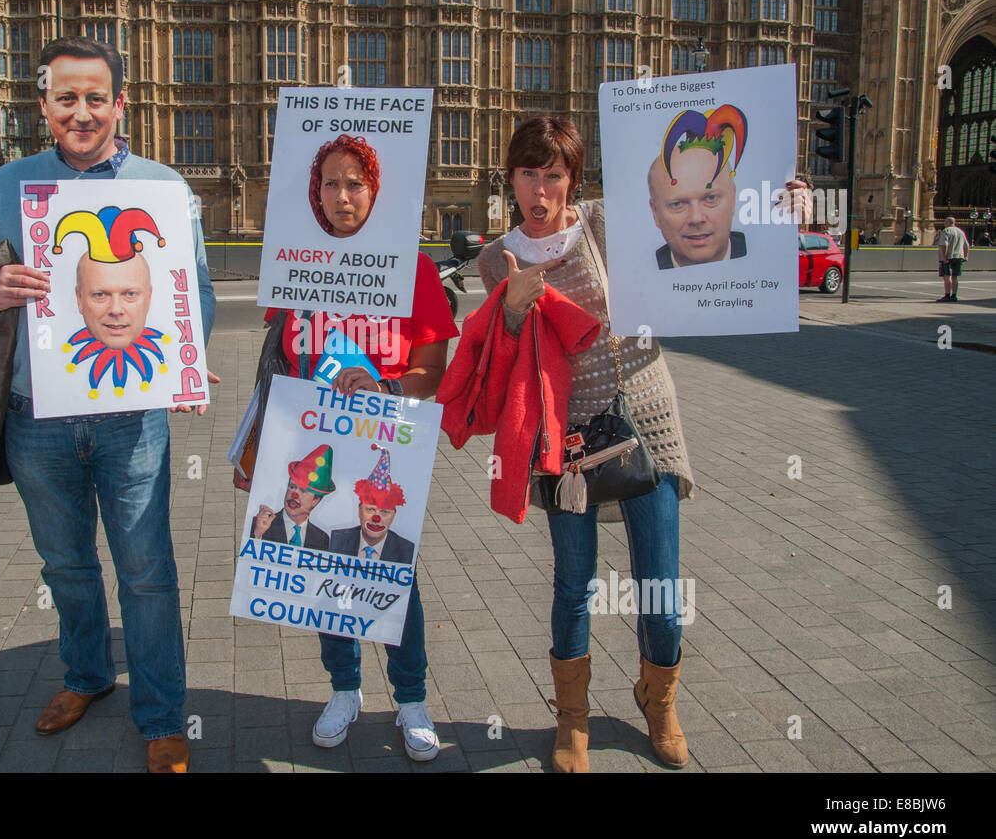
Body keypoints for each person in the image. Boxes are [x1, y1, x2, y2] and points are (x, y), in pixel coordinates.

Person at [475, 116, 809, 773]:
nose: (540, 189)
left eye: (554, 174)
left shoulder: (608, 222)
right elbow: (506, 365)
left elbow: (700, 236)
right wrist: (512, 308)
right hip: (566, 440)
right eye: (527, 173)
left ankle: (660, 705)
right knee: (574, 584)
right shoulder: (497, 258)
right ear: (510, 178)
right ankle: (572, 722)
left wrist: (778, 210)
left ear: (574, 179)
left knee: (658, 579)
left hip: (643, 417)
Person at [0, 37, 215, 773]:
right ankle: (86, 676)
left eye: (95, 97)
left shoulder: (162, 185)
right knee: (66, 566)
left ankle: (163, 714)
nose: (81, 111)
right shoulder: (10, 183)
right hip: (34, 418)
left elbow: (190, 287)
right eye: (65, 97)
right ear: (44, 105)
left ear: (119, 104)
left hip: (131, 421)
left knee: (145, 570)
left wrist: (187, 361)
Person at [240, 134, 458, 762]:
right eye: (331, 183)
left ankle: (411, 698)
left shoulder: (411, 266)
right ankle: (344, 689)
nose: (343, 196)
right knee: (322, 569)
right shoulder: (296, 263)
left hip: (384, 437)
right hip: (310, 436)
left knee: (392, 572)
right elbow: (276, 356)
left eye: (355, 183)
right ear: (316, 192)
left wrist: (388, 383)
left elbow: (433, 368)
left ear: (374, 191)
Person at [648, 107, 749, 269]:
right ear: (655, 213)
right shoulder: (636, 271)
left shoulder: (767, 257)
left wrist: (797, 212)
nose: (696, 218)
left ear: (732, 199)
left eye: (710, 199)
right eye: (677, 204)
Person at [321, 446, 415, 564]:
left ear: (393, 515)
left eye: (384, 512)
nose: (376, 518)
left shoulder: (406, 550)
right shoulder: (336, 540)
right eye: (370, 509)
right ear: (359, 510)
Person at [249, 445, 334, 547]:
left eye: (303, 491)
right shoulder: (260, 525)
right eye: (292, 487)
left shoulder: (321, 539)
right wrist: (258, 535)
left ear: (315, 501)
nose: (294, 494)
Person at [936, 217, 970, 302]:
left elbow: (944, 244)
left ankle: (947, 295)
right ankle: (954, 295)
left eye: (945, 222)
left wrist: (944, 256)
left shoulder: (946, 231)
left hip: (949, 256)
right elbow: (966, 245)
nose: (944, 223)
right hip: (958, 256)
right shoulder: (960, 232)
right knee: (955, 277)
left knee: (947, 276)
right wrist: (966, 256)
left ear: (948, 222)